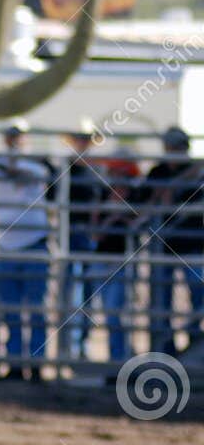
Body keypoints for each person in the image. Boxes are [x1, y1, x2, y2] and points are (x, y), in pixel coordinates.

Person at [0, 122, 51, 377]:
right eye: (11, 136)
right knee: (11, 312)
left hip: (34, 243)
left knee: (36, 310)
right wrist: (4, 166)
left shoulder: (35, 163)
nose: (14, 140)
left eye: (18, 136)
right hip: (7, 246)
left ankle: (37, 365)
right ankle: (15, 364)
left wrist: (11, 168)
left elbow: (40, 173)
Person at [60, 121, 136, 364]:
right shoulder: (66, 168)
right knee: (73, 294)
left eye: (85, 138)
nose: (82, 142)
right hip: (74, 235)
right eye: (79, 138)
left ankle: (87, 347)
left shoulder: (100, 171)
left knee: (91, 298)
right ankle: (72, 349)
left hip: (96, 241)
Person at [134, 126, 204, 356]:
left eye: (178, 146)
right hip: (163, 245)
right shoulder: (158, 172)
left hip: (192, 244)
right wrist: (163, 195)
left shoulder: (197, 171)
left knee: (198, 294)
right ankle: (165, 345)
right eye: (171, 146)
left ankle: (195, 340)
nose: (174, 150)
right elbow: (144, 204)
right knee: (161, 299)